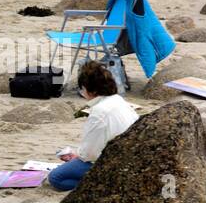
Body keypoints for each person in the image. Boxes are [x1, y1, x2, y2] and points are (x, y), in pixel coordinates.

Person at [47, 61, 139, 191]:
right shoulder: (119, 100)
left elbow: (90, 154)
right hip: (128, 157)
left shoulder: (99, 111)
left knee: (56, 177)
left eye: (83, 89)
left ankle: (102, 185)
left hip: (112, 162)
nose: (82, 92)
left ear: (92, 90)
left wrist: (76, 155)